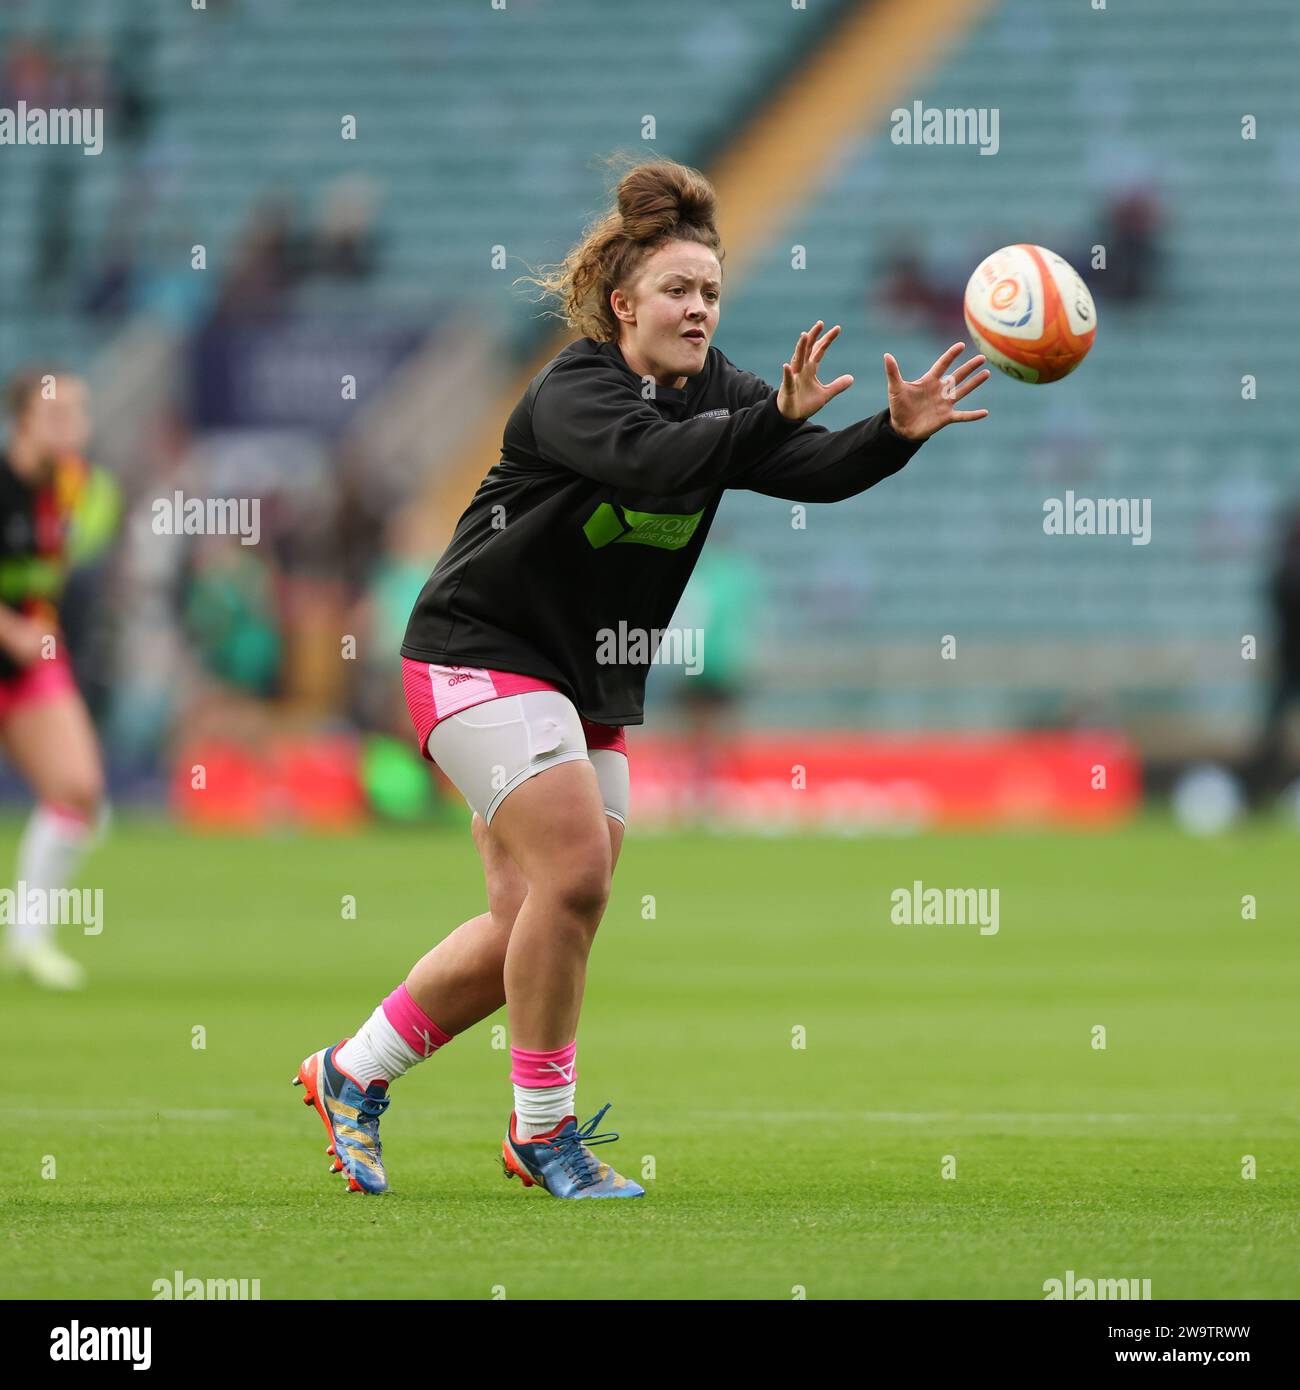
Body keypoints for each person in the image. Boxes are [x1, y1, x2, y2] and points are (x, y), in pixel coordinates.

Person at [294, 157, 989, 1198]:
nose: (699, 306)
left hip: (581, 684)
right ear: (623, 303)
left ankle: (351, 1072)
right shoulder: (575, 386)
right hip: (476, 654)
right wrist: (770, 422)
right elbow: (655, 463)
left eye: (710, 291)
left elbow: (806, 468)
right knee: (574, 876)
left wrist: (892, 435)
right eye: (677, 289)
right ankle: (543, 1132)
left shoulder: (721, 393)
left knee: (533, 918)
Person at [0, 370, 109, 989]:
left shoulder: (76, 486)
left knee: (78, 788)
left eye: (79, 410)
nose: (73, 424)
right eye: (58, 412)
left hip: (29, 662)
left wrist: (35, 627)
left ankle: (30, 938)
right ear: (23, 420)